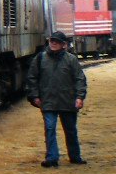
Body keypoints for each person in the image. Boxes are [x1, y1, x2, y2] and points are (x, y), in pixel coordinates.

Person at [24, 31, 88, 167]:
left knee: (70, 130)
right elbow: (32, 78)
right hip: (48, 101)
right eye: (51, 40)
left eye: (57, 41)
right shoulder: (40, 58)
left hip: (67, 101)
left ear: (63, 45)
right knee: (50, 128)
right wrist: (34, 96)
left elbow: (80, 79)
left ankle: (74, 156)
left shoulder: (71, 59)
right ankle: (52, 158)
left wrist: (79, 97)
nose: (53, 43)